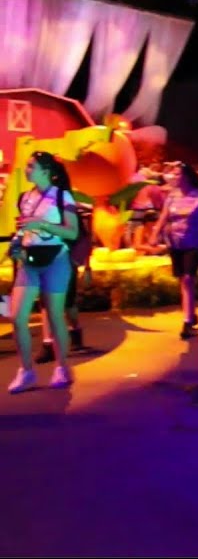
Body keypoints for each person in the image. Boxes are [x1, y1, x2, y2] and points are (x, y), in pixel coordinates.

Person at [7, 152, 80, 394]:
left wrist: (41, 224)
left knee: (55, 315)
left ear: (46, 171)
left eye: (31, 166)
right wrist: (16, 244)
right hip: (29, 261)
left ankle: (62, 367)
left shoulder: (62, 196)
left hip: (56, 259)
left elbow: (71, 233)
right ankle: (26, 371)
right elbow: (22, 229)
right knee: (17, 317)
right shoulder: (24, 197)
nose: (26, 169)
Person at [150, 163, 198, 339]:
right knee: (183, 282)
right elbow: (163, 217)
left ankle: (187, 322)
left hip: (193, 243)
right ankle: (190, 312)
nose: (174, 177)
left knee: (188, 279)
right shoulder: (171, 197)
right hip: (175, 243)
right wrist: (155, 235)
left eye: (177, 174)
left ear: (186, 176)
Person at [35, 197, 92, 363]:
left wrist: (86, 267)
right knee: (46, 301)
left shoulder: (69, 209)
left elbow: (83, 239)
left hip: (66, 260)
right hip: (46, 260)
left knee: (68, 304)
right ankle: (48, 344)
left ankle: (75, 330)